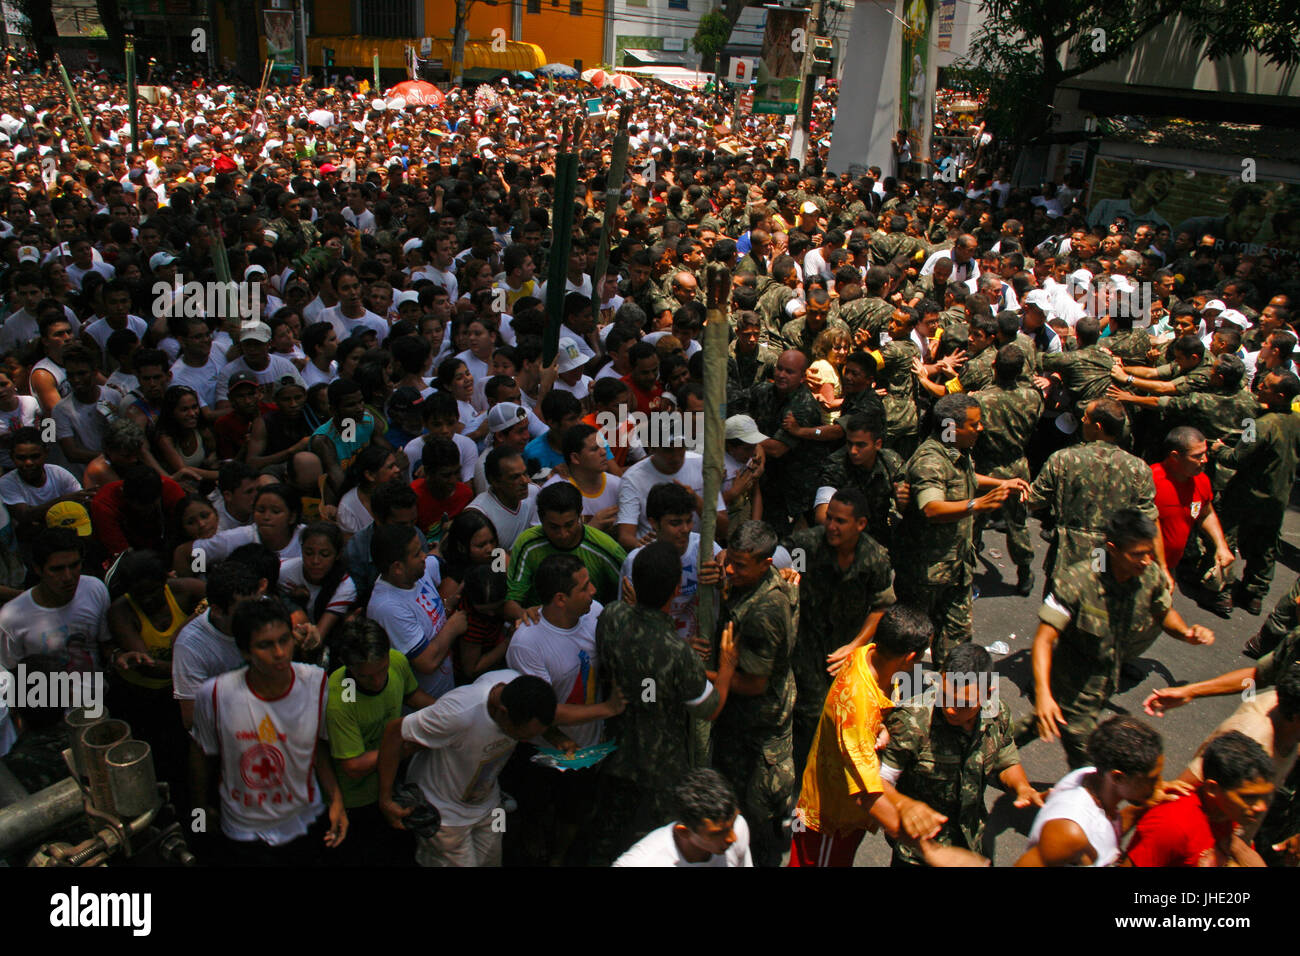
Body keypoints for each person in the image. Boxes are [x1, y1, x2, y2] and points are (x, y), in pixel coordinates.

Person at [1020, 508, 1214, 768]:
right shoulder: (1079, 580)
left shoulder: (1149, 576)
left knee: (1037, 724)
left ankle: (990, 753)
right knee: (1091, 763)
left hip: (1106, 681)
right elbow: (1044, 639)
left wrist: (1186, 633)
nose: (1146, 560)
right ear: (1112, 549)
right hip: (1073, 685)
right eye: (1137, 554)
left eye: (1149, 552)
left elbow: (1163, 611)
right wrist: (1043, 694)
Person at [590, 541, 739, 865]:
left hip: (615, 753)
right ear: (675, 590)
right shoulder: (678, 652)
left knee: (608, 840)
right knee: (658, 844)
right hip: (662, 769)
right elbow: (710, 708)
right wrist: (726, 668)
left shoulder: (612, 616)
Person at [190, 597, 348, 865]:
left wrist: (336, 800)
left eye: (284, 640)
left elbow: (317, 747)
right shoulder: (215, 694)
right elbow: (201, 752)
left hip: (305, 822)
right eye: (265, 645)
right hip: (244, 831)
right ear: (245, 651)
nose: (279, 652)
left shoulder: (316, 684)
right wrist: (199, 806)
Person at [788, 605, 932, 867]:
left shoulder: (870, 655)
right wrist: (933, 852)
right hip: (828, 822)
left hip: (845, 817)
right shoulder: (857, 702)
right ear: (910, 657)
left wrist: (880, 727)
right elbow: (868, 794)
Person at [505, 553, 622, 865]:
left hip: (588, 749)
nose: (594, 591)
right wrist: (606, 710)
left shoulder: (594, 614)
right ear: (560, 598)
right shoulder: (527, 642)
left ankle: (558, 857)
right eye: (584, 587)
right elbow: (542, 711)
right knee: (535, 806)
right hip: (543, 752)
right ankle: (531, 844)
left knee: (574, 810)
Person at [880, 643, 1043, 866]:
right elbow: (879, 780)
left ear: (988, 694)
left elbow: (1005, 755)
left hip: (971, 843)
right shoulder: (912, 721)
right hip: (918, 853)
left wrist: (1022, 786)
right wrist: (903, 805)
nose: (949, 709)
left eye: (963, 703)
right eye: (944, 696)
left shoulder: (996, 714)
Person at [895, 393, 1029, 663]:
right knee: (910, 645)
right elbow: (931, 508)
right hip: (927, 574)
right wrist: (977, 505)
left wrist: (1001, 483)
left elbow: (965, 476)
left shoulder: (956, 452)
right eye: (974, 424)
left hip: (957, 568)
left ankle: (954, 700)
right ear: (949, 428)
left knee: (958, 646)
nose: (981, 428)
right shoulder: (930, 461)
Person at [376, 671, 557, 867]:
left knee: (493, 861)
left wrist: (558, 738)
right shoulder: (457, 713)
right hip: (444, 814)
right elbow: (394, 732)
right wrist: (386, 798)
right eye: (522, 735)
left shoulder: (519, 687)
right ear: (503, 712)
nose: (525, 740)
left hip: (489, 807)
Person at [708, 520, 798, 867]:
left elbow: (753, 683)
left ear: (766, 564)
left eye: (739, 565)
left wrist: (707, 672)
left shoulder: (765, 611)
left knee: (757, 821)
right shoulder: (759, 584)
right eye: (728, 560)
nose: (729, 569)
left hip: (760, 729)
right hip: (743, 725)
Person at [325, 618, 435, 866]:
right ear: (348, 667)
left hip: (393, 782)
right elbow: (352, 766)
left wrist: (445, 714)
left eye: (381, 670)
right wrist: (405, 745)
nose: (376, 681)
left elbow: (412, 694)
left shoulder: (396, 661)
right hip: (358, 801)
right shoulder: (342, 698)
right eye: (366, 676)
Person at [1016, 716, 1165, 866]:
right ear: (1118, 778)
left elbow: (1103, 832)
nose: (1160, 785)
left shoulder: (1090, 775)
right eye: (1152, 779)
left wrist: (1140, 809)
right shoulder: (1068, 833)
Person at [1210, 369, 1300, 615]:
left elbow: (1237, 458)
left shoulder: (1257, 424)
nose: (1260, 386)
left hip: (1246, 495)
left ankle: (1222, 591)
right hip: (1278, 497)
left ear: (1280, 395)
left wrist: (1219, 449)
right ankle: (1255, 595)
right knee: (1265, 547)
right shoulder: (1296, 422)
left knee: (1226, 539)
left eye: (1267, 386)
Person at [1127, 731, 1272, 867]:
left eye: (1264, 796)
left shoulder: (1229, 814)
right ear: (1212, 789)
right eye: (1249, 797)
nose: (1262, 807)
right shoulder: (1172, 824)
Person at [366, 522, 468, 699]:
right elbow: (426, 662)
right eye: (417, 554)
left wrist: (447, 605)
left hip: (447, 690)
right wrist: (453, 626)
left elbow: (436, 556)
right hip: (425, 708)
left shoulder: (415, 573)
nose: (424, 557)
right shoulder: (387, 608)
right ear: (397, 567)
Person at [506, 482, 626, 621]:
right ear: (540, 518)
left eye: (569, 525)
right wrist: (525, 615)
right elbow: (511, 603)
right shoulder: (527, 544)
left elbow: (630, 591)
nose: (563, 534)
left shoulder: (607, 548)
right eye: (554, 527)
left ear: (580, 513)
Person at [613, 768, 754, 867]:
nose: (732, 838)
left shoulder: (739, 828)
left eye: (732, 824)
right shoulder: (642, 863)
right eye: (717, 833)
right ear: (684, 832)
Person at [467, 448, 539, 550]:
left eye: (525, 473)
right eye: (515, 477)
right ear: (495, 481)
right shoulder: (480, 514)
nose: (525, 481)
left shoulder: (534, 492)